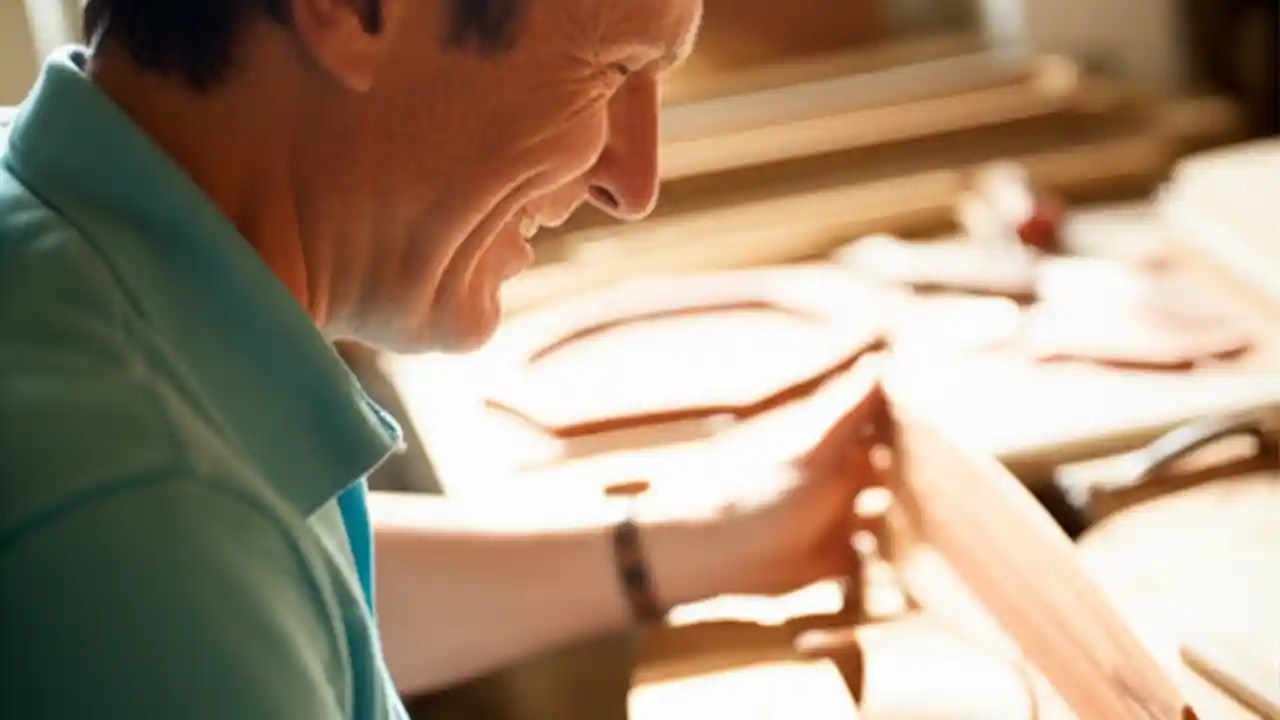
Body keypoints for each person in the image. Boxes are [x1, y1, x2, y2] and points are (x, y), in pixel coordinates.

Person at [0, 1, 881, 717]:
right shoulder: (139, 523)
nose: (634, 181)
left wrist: (695, 542)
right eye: (613, 69)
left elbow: (289, 592)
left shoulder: (65, 251)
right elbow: (186, 564)